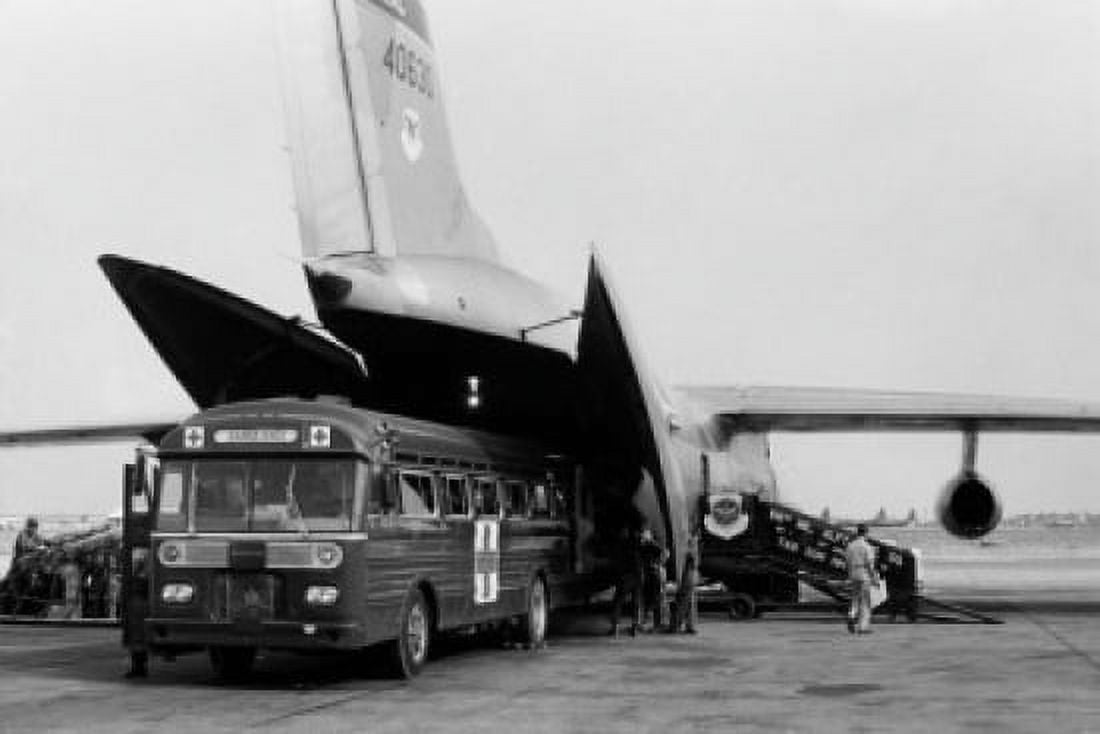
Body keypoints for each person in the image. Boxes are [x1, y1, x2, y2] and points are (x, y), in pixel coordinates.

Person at [608, 525, 644, 637]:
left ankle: (616, 628)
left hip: (625, 578)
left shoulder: (619, 547)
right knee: (635, 603)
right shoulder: (636, 546)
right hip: (636, 577)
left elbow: (617, 564)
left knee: (618, 601)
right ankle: (634, 627)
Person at [844, 523, 879, 634]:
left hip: (853, 574)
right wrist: (874, 578)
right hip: (864, 575)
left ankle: (851, 615)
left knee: (854, 599)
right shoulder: (867, 547)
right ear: (866, 533)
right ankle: (862, 628)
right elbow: (869, 565)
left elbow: (847, 562)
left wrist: (850, 575)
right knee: (865, 602)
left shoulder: (850, 546)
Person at [638, 527, 667, 632]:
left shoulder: (650, 547)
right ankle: (652, 623)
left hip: (652, 575)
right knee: (652, 599)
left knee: (653, 599)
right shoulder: (647, 547)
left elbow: (661, 554)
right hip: (650, 574)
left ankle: (653, 623)